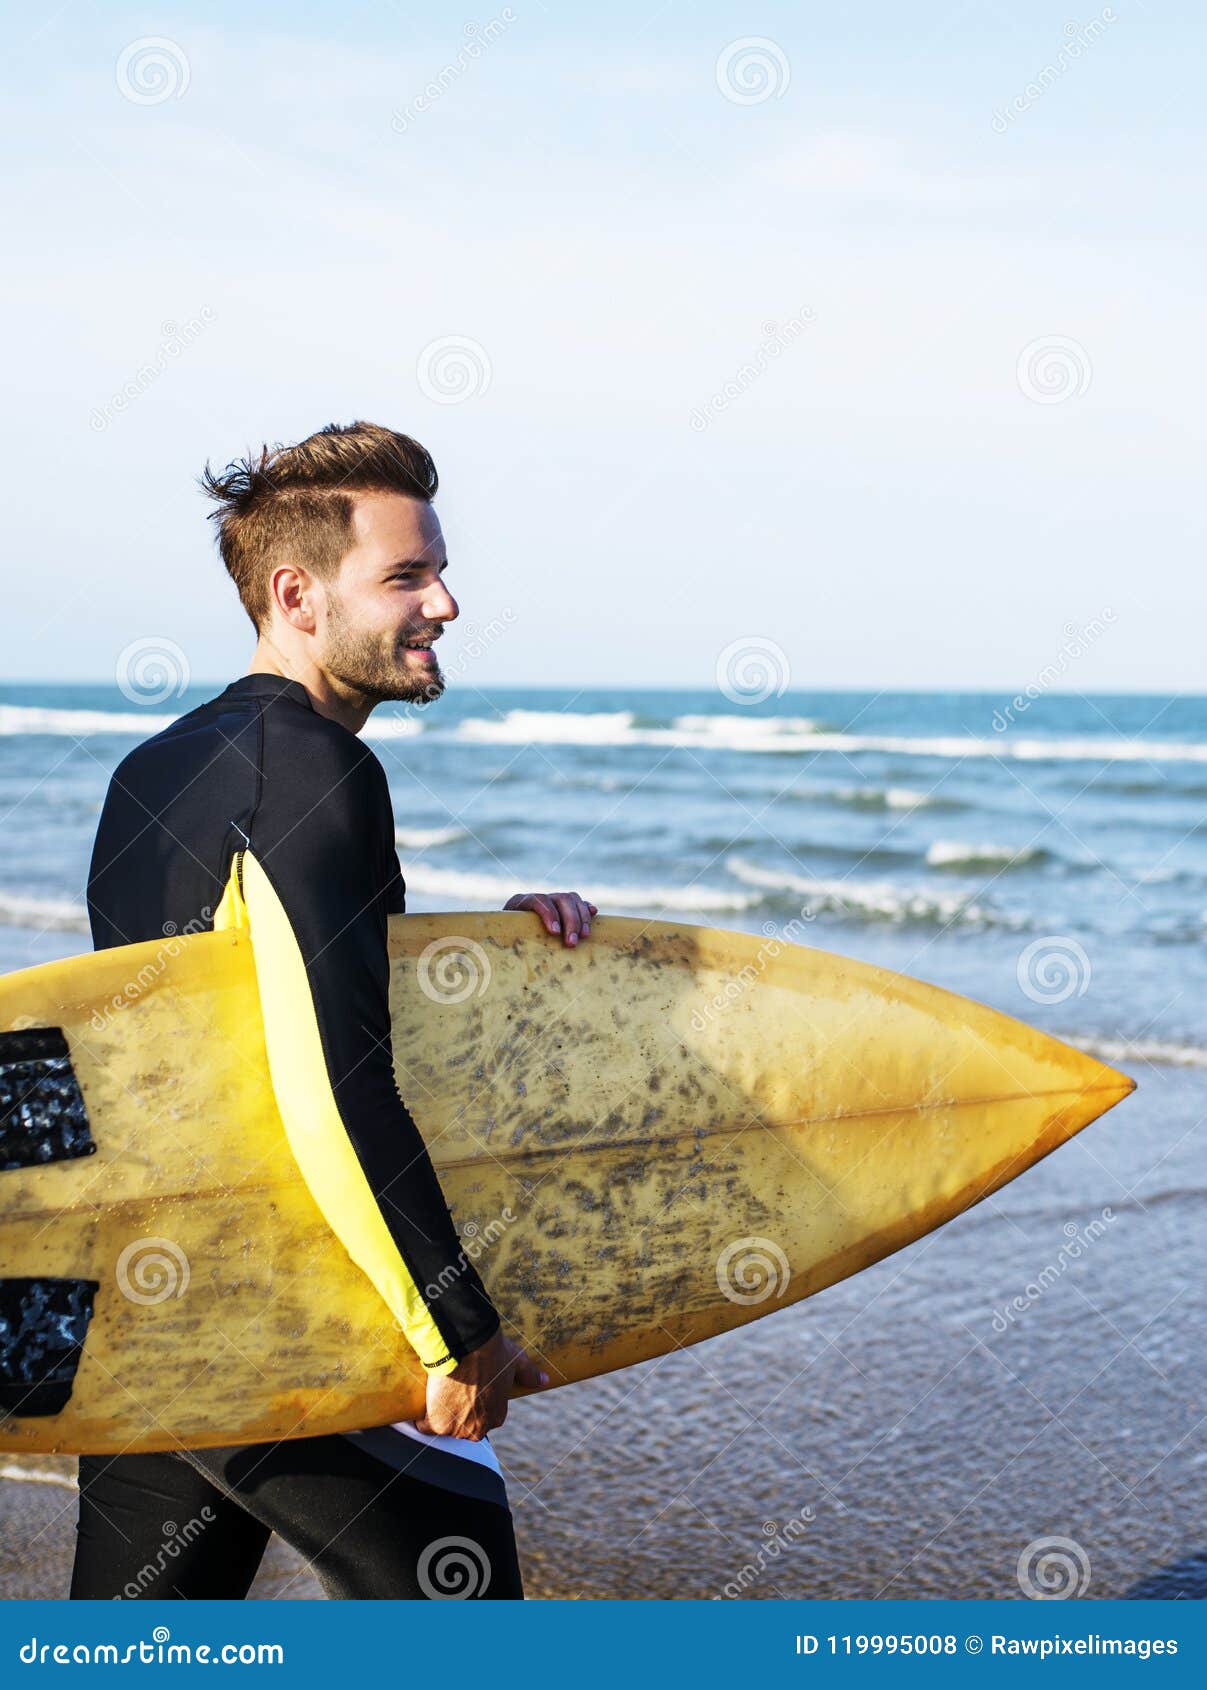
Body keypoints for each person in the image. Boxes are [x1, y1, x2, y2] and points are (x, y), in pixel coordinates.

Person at [70, 421, 597, 1600]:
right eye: (407, 575)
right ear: (297, 593)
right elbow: (331, 1082)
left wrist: (485, 955)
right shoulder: (317, 771)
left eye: (440, 568)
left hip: (154, 1314)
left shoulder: (153, 769)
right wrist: (456, 1329)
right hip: (289, 1319)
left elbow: (215, 1025)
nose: (447, 603)